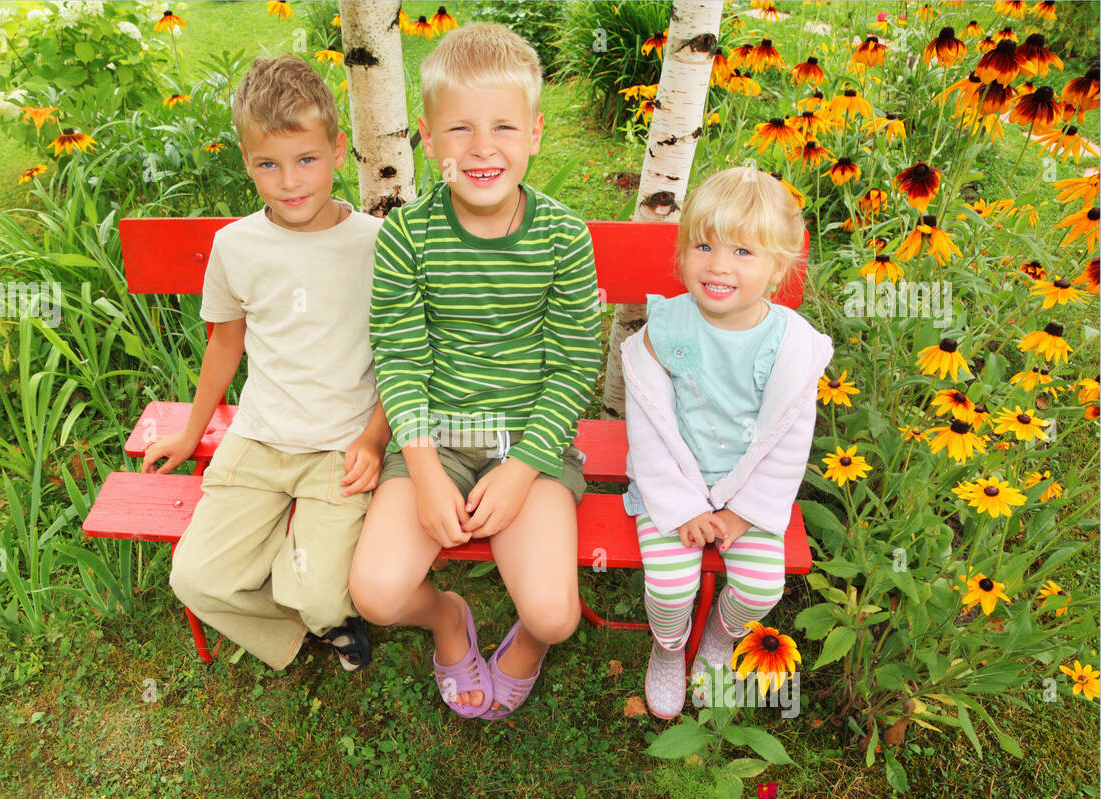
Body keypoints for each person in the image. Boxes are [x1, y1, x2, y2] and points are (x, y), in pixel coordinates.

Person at [348, 22, 603, 720]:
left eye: (503, 127)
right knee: (374, 591)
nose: (482, 149)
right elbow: (400, 356)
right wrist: (424, 471)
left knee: (555, 613)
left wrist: (523, 468)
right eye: (458, 129)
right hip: (434, 438)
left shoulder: (561, 235)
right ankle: (448, 617)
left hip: (533, 443)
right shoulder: (407, 236)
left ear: (536, 134)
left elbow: (576, 361)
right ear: (427, 141)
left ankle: (526, 646)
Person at [144, 56, 388, 672]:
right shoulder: (236, 245)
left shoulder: (376, 243)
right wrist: (192, 431)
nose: (289, 181)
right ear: (246, 162)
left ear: (338, 150)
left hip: (341, 444)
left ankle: (314, 601)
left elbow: (404, 354)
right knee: (196, 580)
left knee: (319, 593)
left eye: (305, 159)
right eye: (267, 165)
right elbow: (224, 343)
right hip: (259, 436)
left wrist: (374, 436)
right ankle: (295, 629)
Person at [621, 165, 834, 719]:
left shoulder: (790, 346)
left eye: (743, 252)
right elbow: (648, 427)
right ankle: (669, 648)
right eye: (704, 245)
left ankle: (716, 640)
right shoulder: (666, 330)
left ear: (778, 267)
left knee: (762, 586)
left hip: (750, 494)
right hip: (673, 483)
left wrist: (743, 512)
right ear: (682, 253)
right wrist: (683, 505)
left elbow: (788, 442)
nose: (718, 265)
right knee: (670, 587)